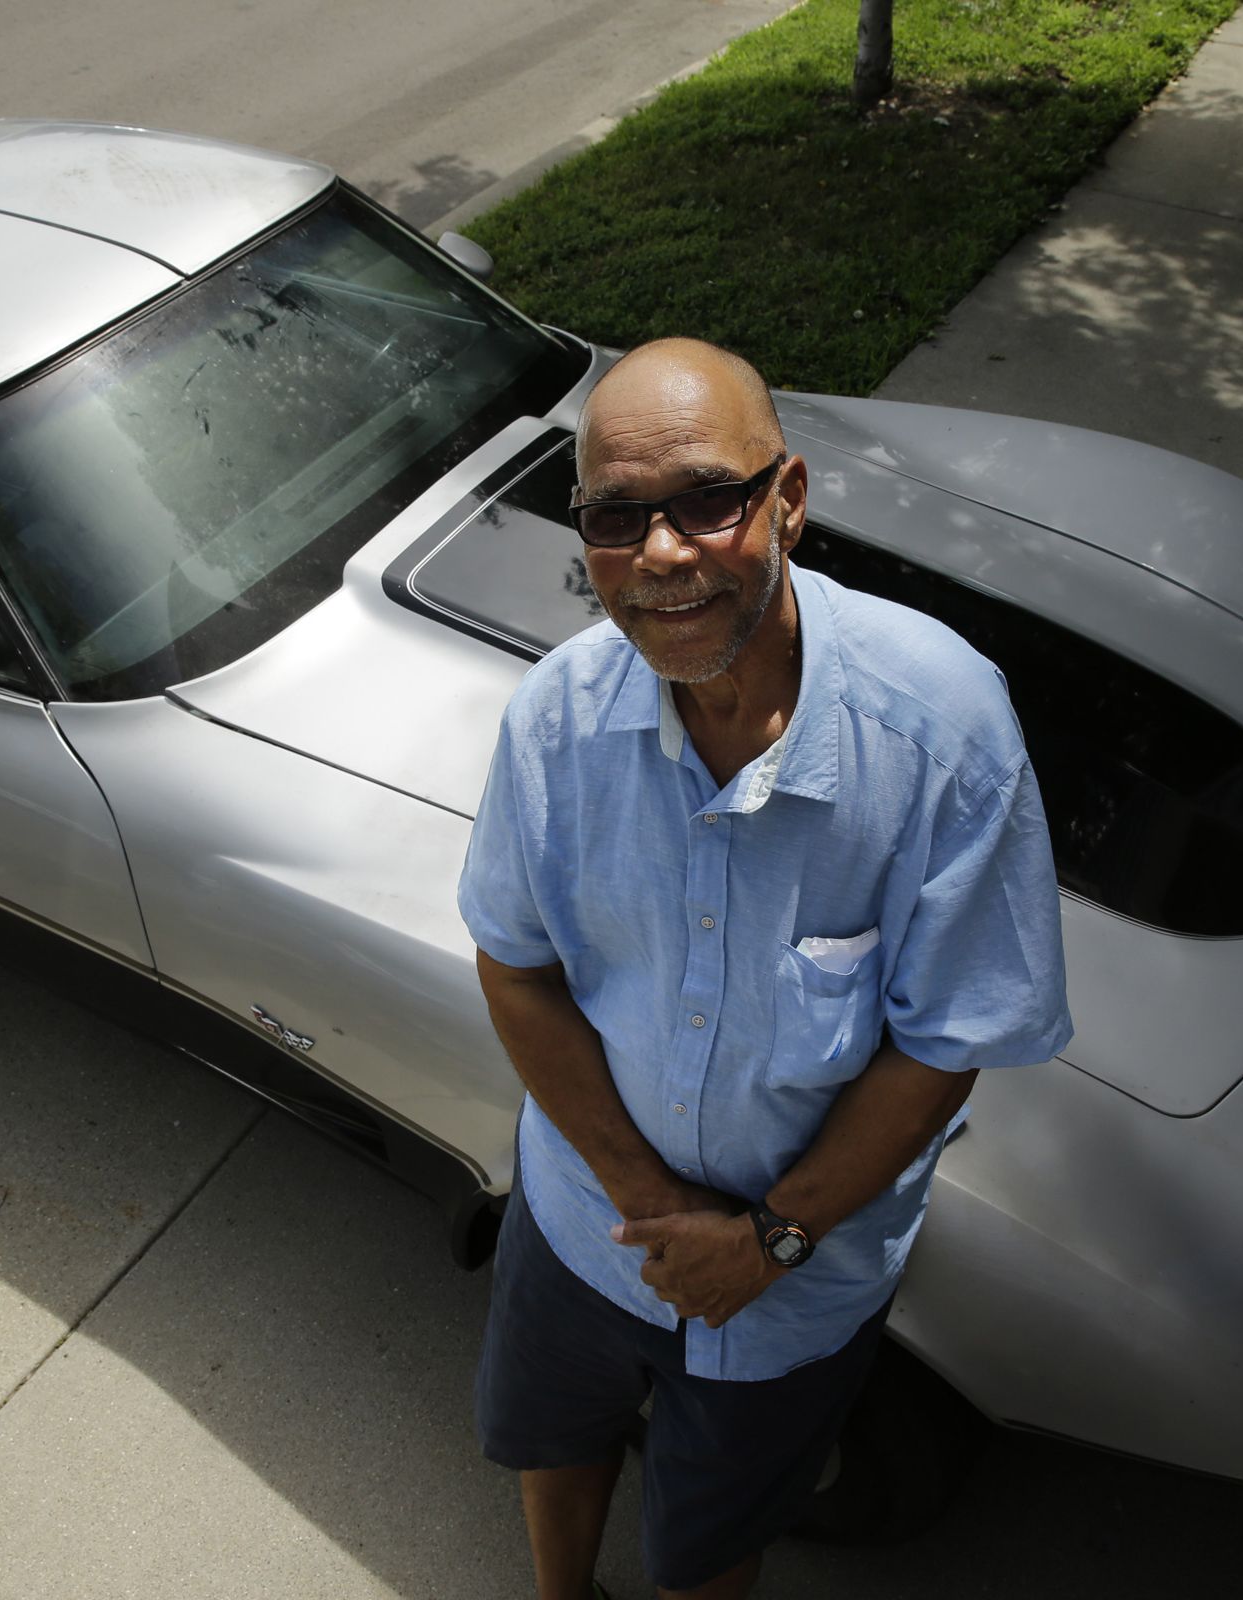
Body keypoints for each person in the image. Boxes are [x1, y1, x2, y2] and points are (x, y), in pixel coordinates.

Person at [455, 337, 1072, 1599]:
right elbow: (514, 971)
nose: (663, 552)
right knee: (548, 1439)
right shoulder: (556, 719)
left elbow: (941, 1043)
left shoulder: (943, 730)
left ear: (788, 495)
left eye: (707, 500)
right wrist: (642, 1203)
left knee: (710, 1540)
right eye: (618, 518)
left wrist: (767, 1243)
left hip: (793, 1287)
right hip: (583, 1227)